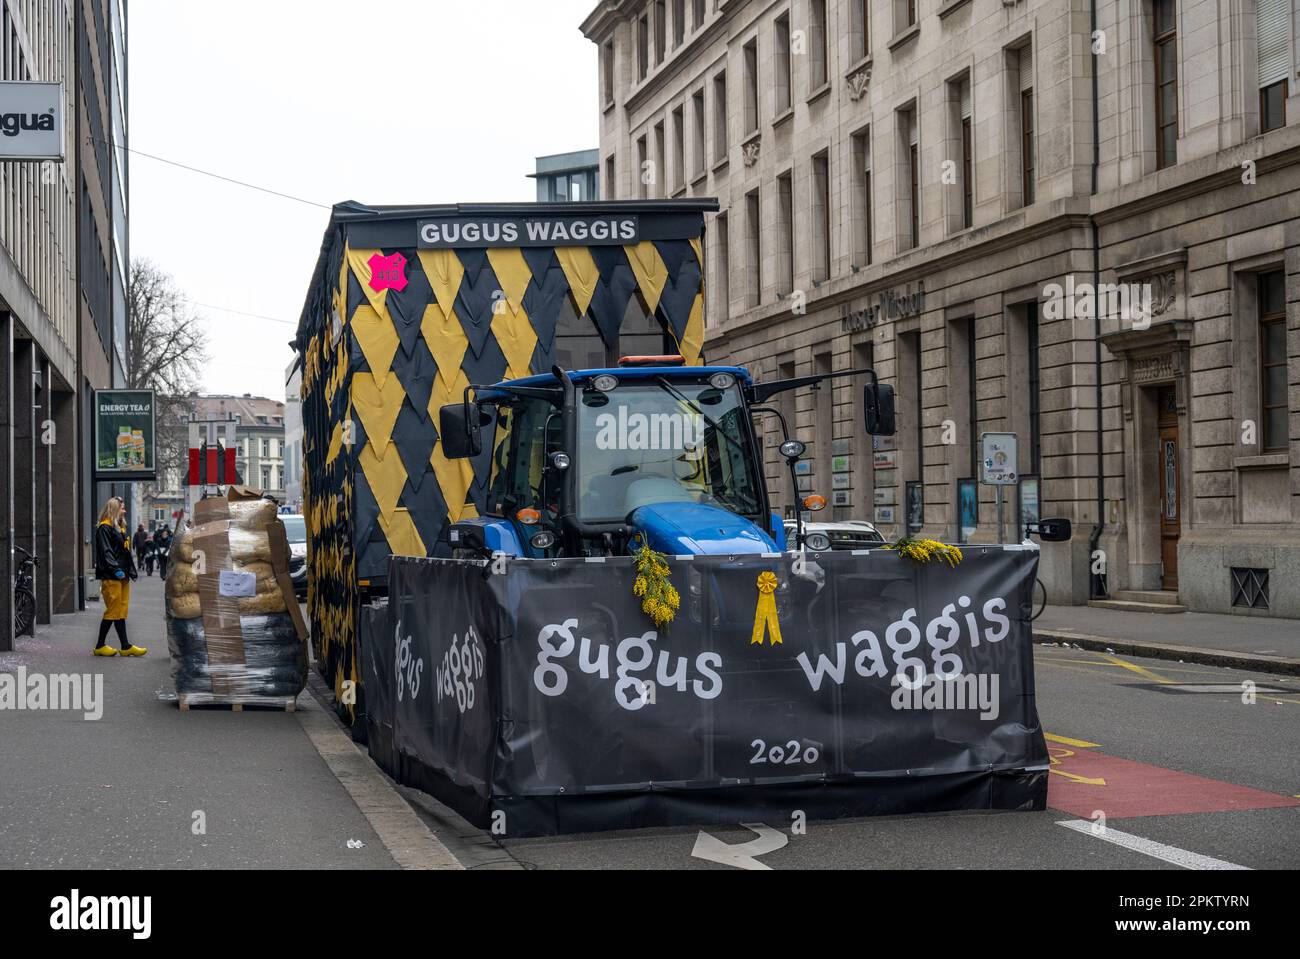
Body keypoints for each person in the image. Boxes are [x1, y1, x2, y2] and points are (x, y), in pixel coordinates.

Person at [93, 497, 146, 657]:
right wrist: (116, 569)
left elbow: (124, 552)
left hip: (122, 575)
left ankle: (125, 646)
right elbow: (106, 551)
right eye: (122, 508)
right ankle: (100, 646)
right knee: (113, 610)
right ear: (115, 509)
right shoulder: (105, 528)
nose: (125, 511)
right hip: (112, 575)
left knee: (120, 610)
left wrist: (129, 571)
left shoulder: (118, 528)